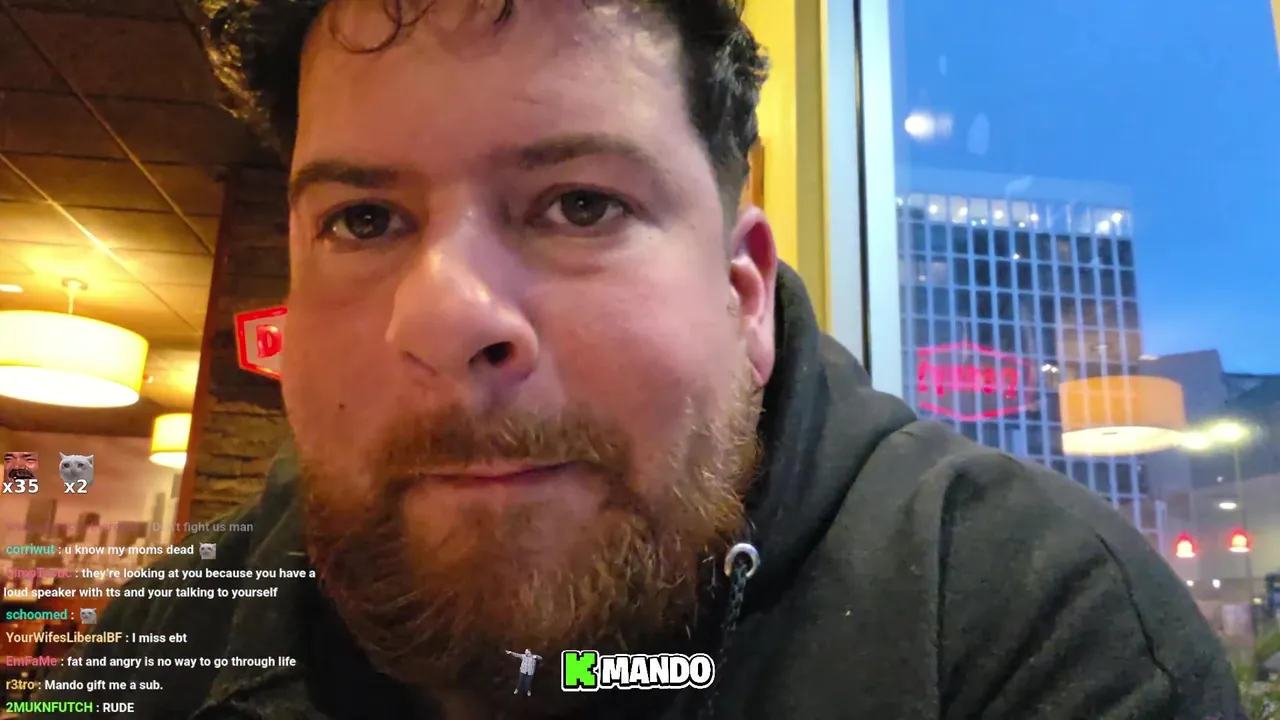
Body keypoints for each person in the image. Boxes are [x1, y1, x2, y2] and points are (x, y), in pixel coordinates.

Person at [37, 0, 1241, 718]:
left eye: (579, 204)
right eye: (362, 220)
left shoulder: (1024, 626)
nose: (446, 317)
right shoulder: (173, 632)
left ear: (742, 294)